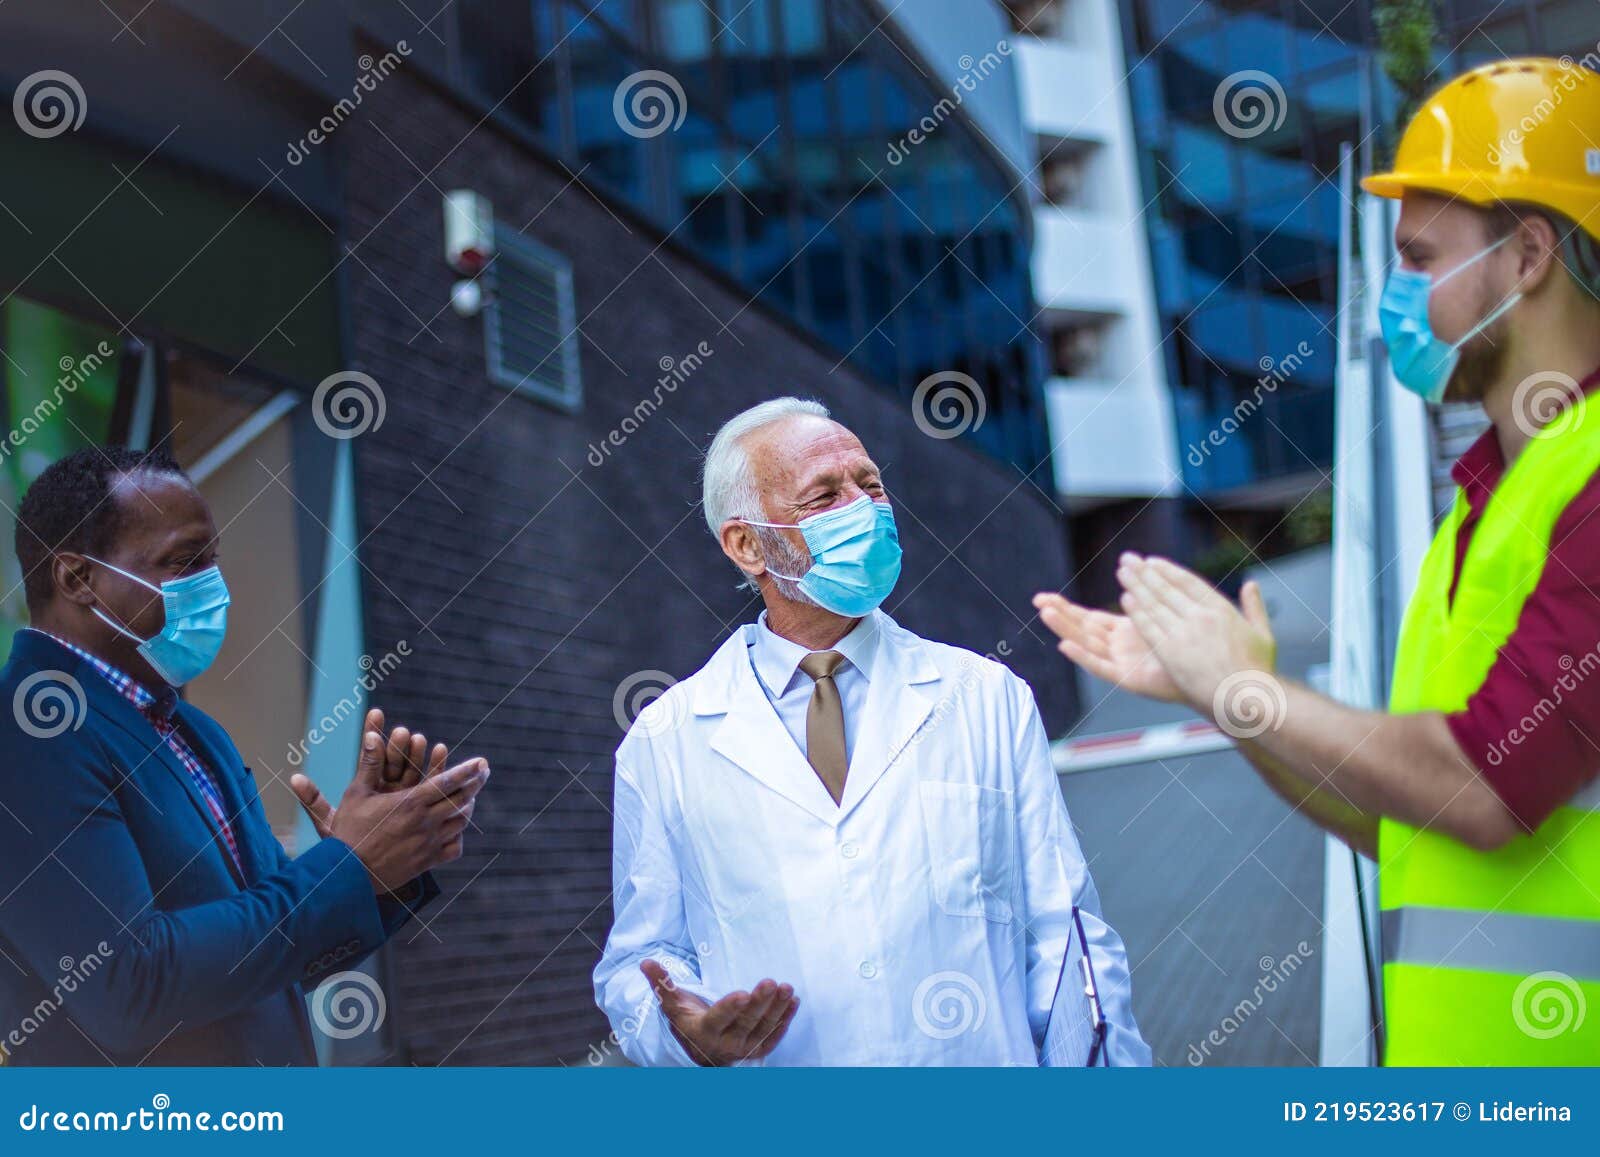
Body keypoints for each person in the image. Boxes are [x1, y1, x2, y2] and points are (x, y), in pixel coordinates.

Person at [1036, 58, 1600, 1065]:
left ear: (1524, 256)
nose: (1398, 294)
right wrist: (1233, 698)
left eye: (1421, 258)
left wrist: (1241, 683)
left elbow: (1480, 783)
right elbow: (1408, 822)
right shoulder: (1488, 502)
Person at [594, 398, 1148, 1066]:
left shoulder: (985, 697)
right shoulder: (665, 741)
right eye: (824, 495)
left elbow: (1068, 937)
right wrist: (680, 1032)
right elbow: (637, 960)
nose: (864, 508)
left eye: (870, 484)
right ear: (746, 545)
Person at [0, 446, 490, 1065]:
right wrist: (345, 868)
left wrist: (382, 867)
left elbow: (268, 960)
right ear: (76, 578)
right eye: (183, 563)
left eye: (213, 561)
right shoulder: (28, 732)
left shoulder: (192, 730)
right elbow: (125, 987)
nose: (214, 588)